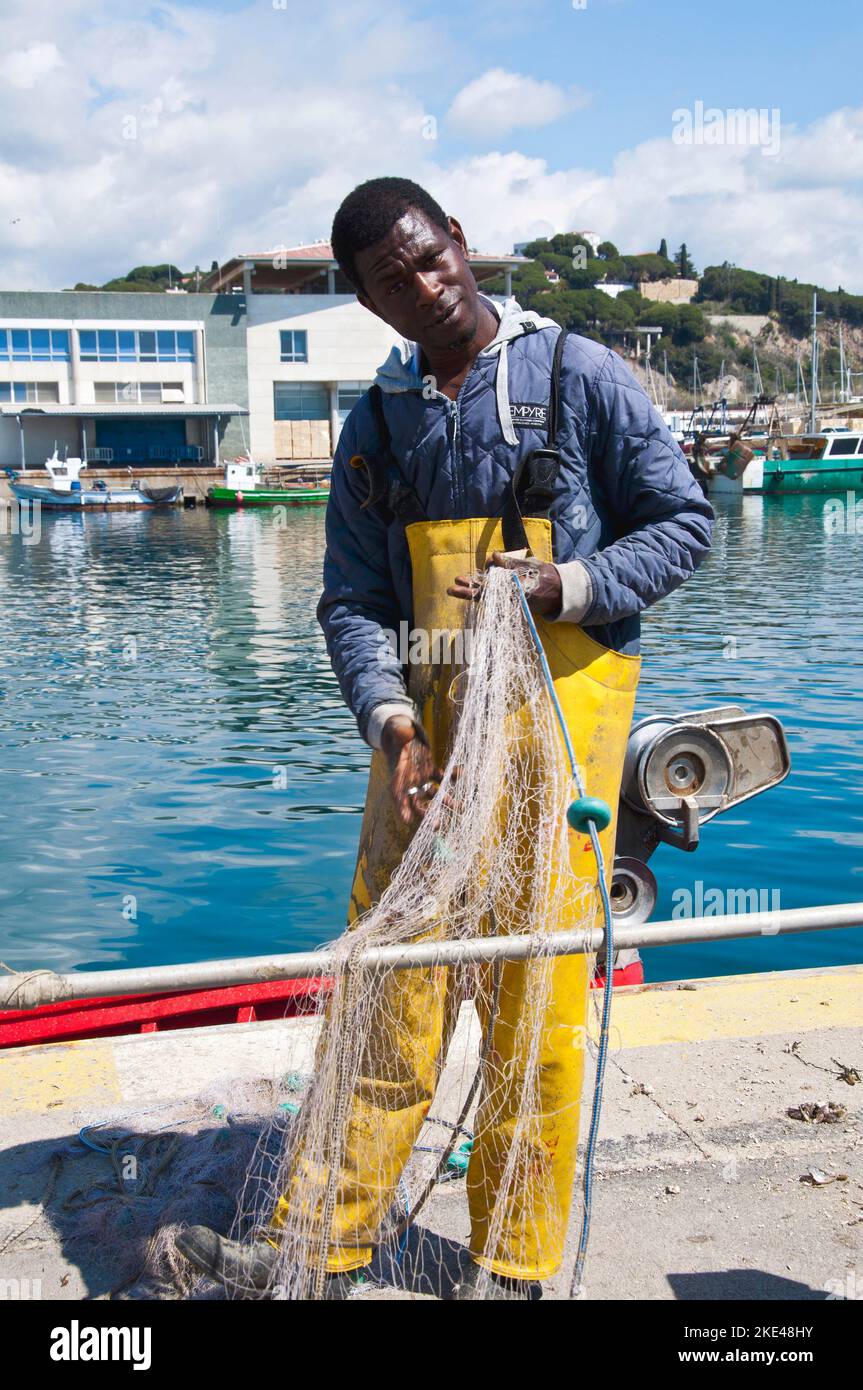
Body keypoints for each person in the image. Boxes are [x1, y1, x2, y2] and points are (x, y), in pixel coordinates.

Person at [178, 177, 714, 1299]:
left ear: (458, 244)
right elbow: (352, 600)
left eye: (430, 260)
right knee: (384, 996)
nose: (424, 289)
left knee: (538, 1015)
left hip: (551, 760)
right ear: (371, 305)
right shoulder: (379, 422)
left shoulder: (575, 378)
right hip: (422, 766)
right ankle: (314, 1252)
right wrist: (387, 722)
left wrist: (567, 580)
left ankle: (513, 1270)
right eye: (392, 282)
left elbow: (682, 523)